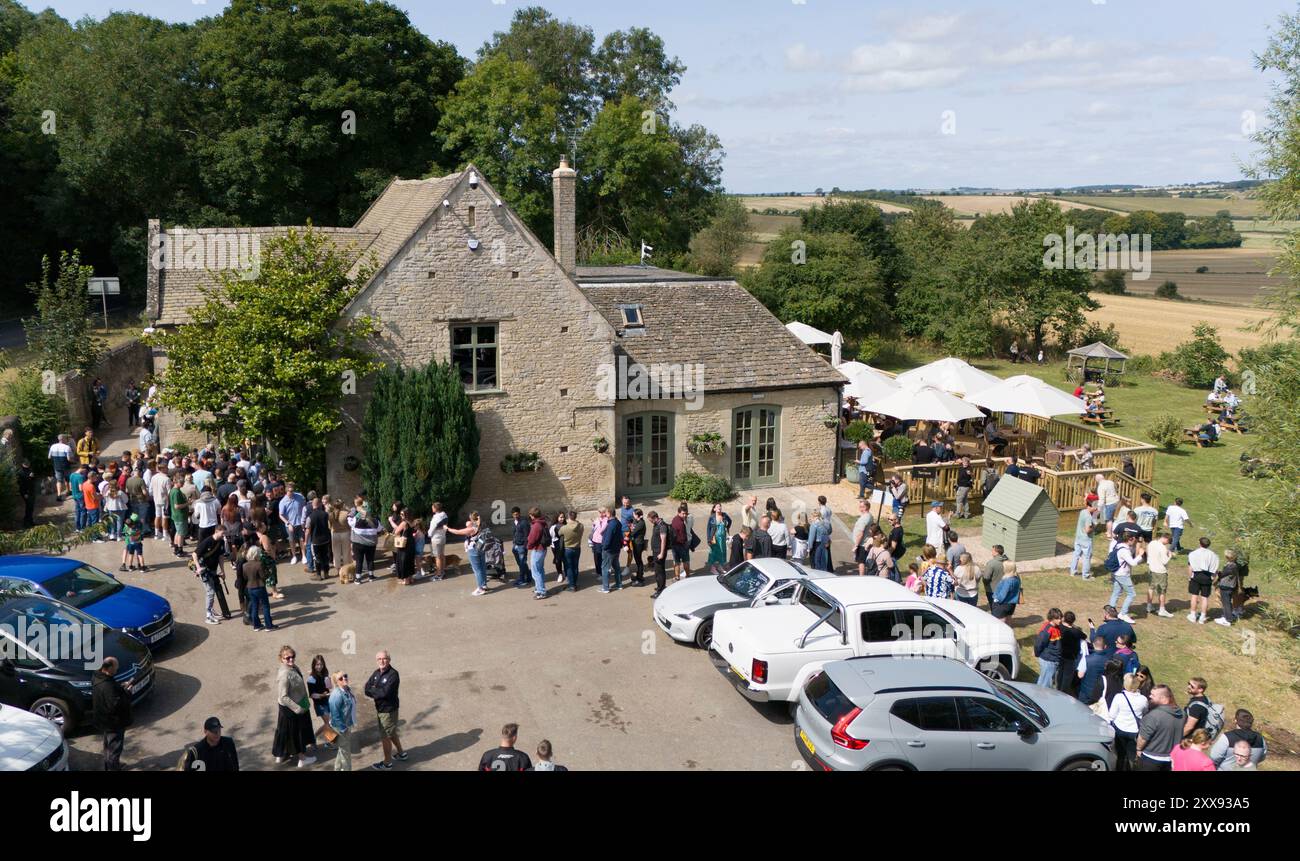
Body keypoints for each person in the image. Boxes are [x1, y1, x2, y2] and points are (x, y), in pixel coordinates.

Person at [272, 646, 317, 767]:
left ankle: (280, 755)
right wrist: (298, 709)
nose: (291, 659)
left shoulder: (291, 667)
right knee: (296, 733)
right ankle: (302, 758)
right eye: (287, 658)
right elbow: (283, 697)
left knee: (284, 731)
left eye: (293, 657)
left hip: (291, 705)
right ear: (281, 659)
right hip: (292, 708)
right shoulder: (285, 674)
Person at [364, 651, 405, 769]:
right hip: (380, 709)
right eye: (379, 659)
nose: (382, 661)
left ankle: (387, 763)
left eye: (384, 659)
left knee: (385, 737)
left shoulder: (393, 675)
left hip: (388, 711)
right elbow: (366, 688)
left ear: (389, 660)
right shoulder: (376, 673)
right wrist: (377, 691)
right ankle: (401, 753)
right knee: (391, 733)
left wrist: (374, 690)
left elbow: (385, 693)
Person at [91, 656, 133, 771]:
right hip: (113, 723)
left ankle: (108, 767)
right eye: (115, 667)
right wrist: (127, 693)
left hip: (104, 721)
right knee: (114, 749)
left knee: (108, 747)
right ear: (108, 668)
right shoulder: (108, 686)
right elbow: (115, 705)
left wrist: (120, 688)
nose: (117, 669)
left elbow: (110, 694)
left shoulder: (98, 678)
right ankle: (113, 768)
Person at [1135, 685, 1185, 771]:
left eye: (1153, 695)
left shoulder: (1153, 716)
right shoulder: (1182, 714)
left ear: (1163, 698)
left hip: (1151, 759)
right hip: (1171, 759)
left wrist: (1138, 749)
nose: (1150, 696)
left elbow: (1143, 738)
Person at [1106, 673, 1148, 772]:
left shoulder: (1119, 697)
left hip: (1119, 730)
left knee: (1120, 755)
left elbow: (1111, 715)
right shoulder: (1143, 699)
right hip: (1134, 732)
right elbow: (1145, 712)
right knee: (1131, 757)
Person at [193, 525, 229, 625]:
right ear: (216, 531)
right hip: (204, 570)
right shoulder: (207, 541)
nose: (224, 536)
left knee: (212, 591)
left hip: (213, 570)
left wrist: (222, 570)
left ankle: (211, 611)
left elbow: (221, 556)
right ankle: (208, 616)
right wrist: (198, 567)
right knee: (210, 592)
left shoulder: (221, 541)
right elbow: (194, 554)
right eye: (222, 533)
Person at [448, 512, 490, 596]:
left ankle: (480, 588)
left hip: (473, 550)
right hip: (481, 548)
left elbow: (457, 532)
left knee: (477, 570)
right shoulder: (481, 525)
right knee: (482, 568)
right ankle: (484, 585)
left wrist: (447, 528)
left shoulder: (472, 529)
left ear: (471, 519)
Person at [1106, 533, 1143, 622]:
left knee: (1117, 592)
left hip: (1117, 573)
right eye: (1134, 540)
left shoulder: (1118, 546)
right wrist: (1140, 555)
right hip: (1123, 574)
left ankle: (1111, 610)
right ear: (1129, 539)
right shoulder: (1124, 550)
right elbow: (1133, 563)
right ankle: (1123, 614)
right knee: (1131, 594)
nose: (1135, 542)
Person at [327, 670, 357, 771]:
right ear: (336, 682)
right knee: (346, 753)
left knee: (343, 750)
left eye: (345, 676)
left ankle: (337, 768)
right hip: (341, 728)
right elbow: (335, 716)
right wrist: (344, 729)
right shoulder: (336, 695)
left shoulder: (347, 689)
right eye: (340, 678)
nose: (344, 678)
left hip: (347, 724)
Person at [1186, 536, 1218, 624]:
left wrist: (1190, 577)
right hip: (1207, 577)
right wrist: (1212, 578)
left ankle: (1192, 615)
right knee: (1205, 597)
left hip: (1196, 575)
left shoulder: (1193, 553)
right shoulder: (1213, 555)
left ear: (1200, 543)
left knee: (1194, 595)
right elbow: (1215, 569)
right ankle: (1202, 617)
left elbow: (1190, 567)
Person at [243, 545, 275, 630]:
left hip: (250, 588)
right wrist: (269, 572)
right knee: (265, 606)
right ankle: (269, 626)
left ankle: (256, 625)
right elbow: (263, 576)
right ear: (256, 554)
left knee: (254, 606)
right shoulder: (259, 564)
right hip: (259, 587)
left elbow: (245, 577)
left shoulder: (245, 565)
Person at [1143, 532, 1174, 618]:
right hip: (1160, 571)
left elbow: (1149, 553)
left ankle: (1149, 606)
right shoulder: (1163, 548)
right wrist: (1170, 556)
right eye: (1168, 542)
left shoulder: (1152, 543)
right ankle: (1162, 609)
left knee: (1151, 588)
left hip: (1151, 568)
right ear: (1166, 539)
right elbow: (1165, 561)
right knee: (1162, 591)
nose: (1167, 544)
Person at [1033, 609, 1064, 688]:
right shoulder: (1048, 630)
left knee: (1043, 680)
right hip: (1049, 661)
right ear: (1052, 619)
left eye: (1061, 618)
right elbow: (1039, 643)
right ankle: (1041, 699)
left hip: (1053, 659)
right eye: (1058, 618)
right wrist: (1037, 653)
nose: (1060, 620)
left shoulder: (1057, 627)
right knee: (1046, 685)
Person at [1069, 500, 1098, 580]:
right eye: (1095, 507)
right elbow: (1087, 530)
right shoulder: (1088, 516)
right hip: (1086, 540)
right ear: (1090, 506)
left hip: (1078, 538)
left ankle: (1073, 571)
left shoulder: (1082, 511)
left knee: (1076, 555)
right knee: (1087, 557)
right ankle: (1086, 576)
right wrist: (1094, 526)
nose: (1096, 509)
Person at [525, 506, 550, 599]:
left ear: (532, 515)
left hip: (538, 549)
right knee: (540, 569)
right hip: (542, 549)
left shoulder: (536, 525)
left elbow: (532, 539)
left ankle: (541, 591)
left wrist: (528, 546)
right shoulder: (543, 523)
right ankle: (539, 588)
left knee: (536, 571)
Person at [306, 655, 334, 740]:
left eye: (321, 664)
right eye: (317, 665)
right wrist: (322, 695)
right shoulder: (311, 679)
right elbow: (311, 695)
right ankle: (330, 741)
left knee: (328, 722)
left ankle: (313, 737)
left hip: (327, 701)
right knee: (328, 722)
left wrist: (328, 680)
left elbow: (329, 687)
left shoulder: (324, 673)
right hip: (319, 704)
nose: (319, 667)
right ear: (314, 665)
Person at [558, 510, 584, 591]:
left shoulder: (564, 528)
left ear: (569, 517)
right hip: (577, 548)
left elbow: (559, 533)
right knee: (575, 566)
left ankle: (572, 585)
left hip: (567, 549)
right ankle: (574, 583)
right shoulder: (581, 526)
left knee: (569, 567)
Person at [600, 506, 624, 592]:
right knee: (616, 567)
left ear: (609, 513)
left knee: (605, 568)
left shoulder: (611, 525)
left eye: (605, 513)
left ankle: (605, 588)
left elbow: (608, 538)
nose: (604, 514)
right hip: (616, 549)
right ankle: (619, 585)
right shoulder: (617, 522)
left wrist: (604, 547)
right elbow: (620, 536)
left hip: (609, 550)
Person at [1216, 549, 1242, 626]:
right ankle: (1226, 616)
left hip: (1226, 586)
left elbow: (1222, 575)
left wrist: (1217, 572)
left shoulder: (1230, 566)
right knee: (1227, 602)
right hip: (1231, 586)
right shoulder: (1234, 565)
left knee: (1226, 603)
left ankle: (1228, 620)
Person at [648, 510, 670, 598]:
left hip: (659, 552)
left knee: (659, 571)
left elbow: (663, 540)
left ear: (654, 518)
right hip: (656, 551)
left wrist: (661, 553)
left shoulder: (662, 526)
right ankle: (660, 586)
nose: (650, 522)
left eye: (650, 520)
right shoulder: (657, 524)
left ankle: (660, 590)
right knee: (658, 571)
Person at [851, 500, 875, 575]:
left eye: (862, 507)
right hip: (864, 542)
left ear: (867, 507)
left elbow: (861, 533)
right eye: (860, 506)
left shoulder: (865, 518)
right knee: (862, 561)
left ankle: (862, 578)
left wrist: (856, 545)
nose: (861, 508)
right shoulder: (869, 516)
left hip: (862, 543)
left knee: (861, 562)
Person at [706, 503, 731, 575]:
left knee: (722, 552)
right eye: (717, 506)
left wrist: (727, 526)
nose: (719, 507)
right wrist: (709, 539)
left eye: (720, 506)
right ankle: (713, 568)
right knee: (714, 553)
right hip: (715, 538)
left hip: (722, 538)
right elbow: (708, 529)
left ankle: (720, 566)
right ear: (714, 509)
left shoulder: (724, 515)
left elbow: (730, 521)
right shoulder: (712, 517)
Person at [982, 544, 1007, 609]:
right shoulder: (1008, 561)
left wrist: (986, 584)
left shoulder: (991, 563)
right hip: (1005, 589)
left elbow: (986, 578)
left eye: (992, 550)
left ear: (996, 552)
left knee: (994, 608)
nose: (991, 552)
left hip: (993, 590)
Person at [627, 509, 646, 585]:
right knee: (637, 560)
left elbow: (633, 532)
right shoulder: (637, 521)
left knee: (639, 561)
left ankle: (640, 579)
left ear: (637, 515)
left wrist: (627, 536)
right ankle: (639, 575)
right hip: (636, 543)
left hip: (638, 544)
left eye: (634, 514)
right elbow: (632, 525)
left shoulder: (641, 523)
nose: (633, 515)